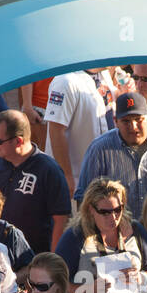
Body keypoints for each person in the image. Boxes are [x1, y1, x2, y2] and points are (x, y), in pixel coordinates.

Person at [0, 109, 71, 255]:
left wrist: (53, 261)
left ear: (18, 141)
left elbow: (60, 220)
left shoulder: (49, 169)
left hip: (34, 258)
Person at [43, 69, 114, 198]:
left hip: (102, 177)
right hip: (76, 180)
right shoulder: (65, 81)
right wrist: (66, 175)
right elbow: (56, 130)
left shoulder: (104, 74)